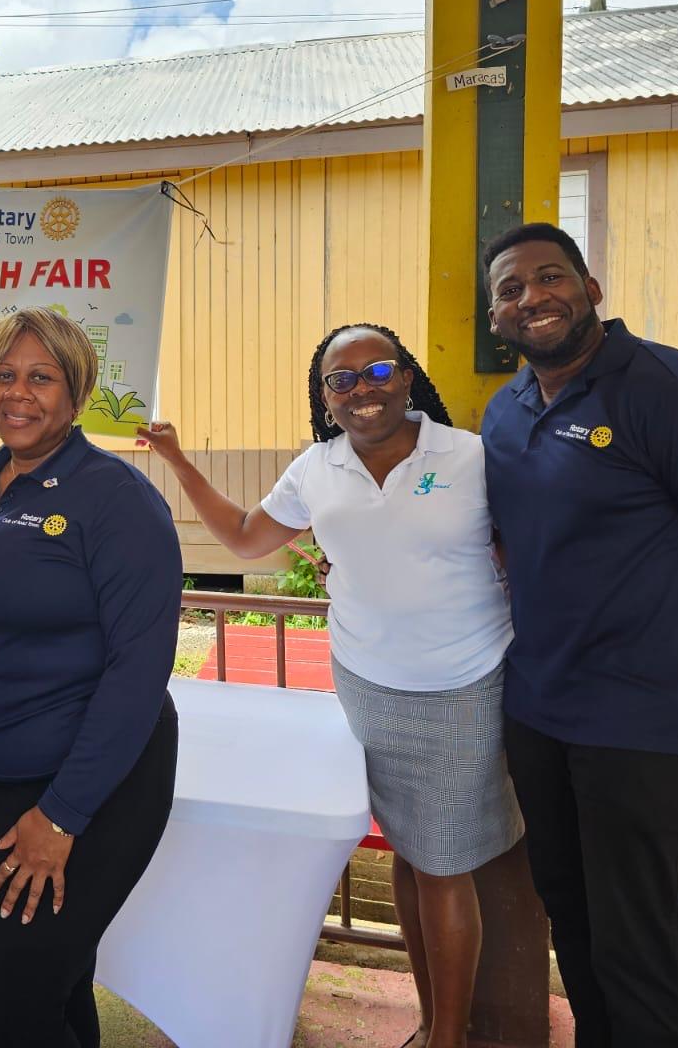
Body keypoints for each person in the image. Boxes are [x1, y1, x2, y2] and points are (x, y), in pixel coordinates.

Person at [141, 323, 523, 1048]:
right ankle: (431, 1016)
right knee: (409, 852)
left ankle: (450, 1036)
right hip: (368, 685)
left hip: (462, 685)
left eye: (376, 370)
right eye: (339, 380)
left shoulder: (471, 456)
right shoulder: (318, 468)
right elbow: (249, 539)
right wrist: (178, 461)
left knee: (442, 862)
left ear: (407, 375)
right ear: (324, 398)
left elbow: (523, 550)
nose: (361, 389)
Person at [480, 222, 678, 1048]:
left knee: (642, 935)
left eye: (551, 277)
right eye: (510, 289)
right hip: (545, 712)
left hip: (651, 719)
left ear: (592, 290)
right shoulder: (507, 411)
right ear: (495, 319)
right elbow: (502, 537)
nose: (532, 297)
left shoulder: (672, 393)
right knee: (576, 916)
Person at [0, 308, 182, 1048]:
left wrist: (62, 814)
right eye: (3, 374)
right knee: (50, 986)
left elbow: (140, 669)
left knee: (4, 1007)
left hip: (86, 779)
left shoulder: (115, 496)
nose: (17, 393)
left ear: (76, 390)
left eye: (40, 377)